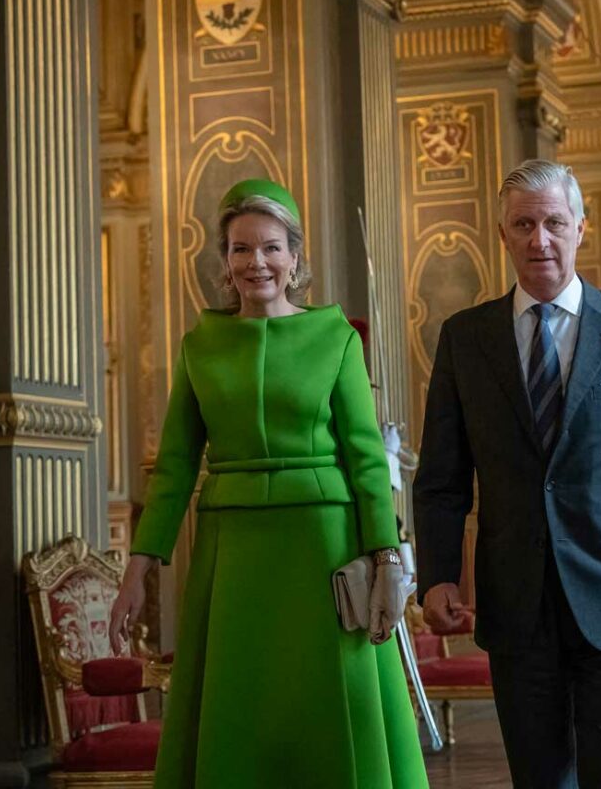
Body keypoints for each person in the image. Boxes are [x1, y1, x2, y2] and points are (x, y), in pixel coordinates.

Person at [108, 179, 428, 788]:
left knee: (331, 703)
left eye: (272, 248)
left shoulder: (335, 338)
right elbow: (175, 464)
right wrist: (138, 566)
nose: (257, 262)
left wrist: (385, 555)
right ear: (224, 263)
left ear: (295, 257)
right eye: (241, 249)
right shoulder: (200, 346)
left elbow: (364, 459)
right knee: (241, 701)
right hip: (232, 553)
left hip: (325, 546)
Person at [413, 159, 601, 788]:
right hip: (516, 595)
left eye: (553, 222)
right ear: (503, 235)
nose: (538, 239)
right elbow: (442, 474)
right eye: (523, 224)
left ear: (582, 227)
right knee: (539, 775)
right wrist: (438, 575)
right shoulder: (465, 338)